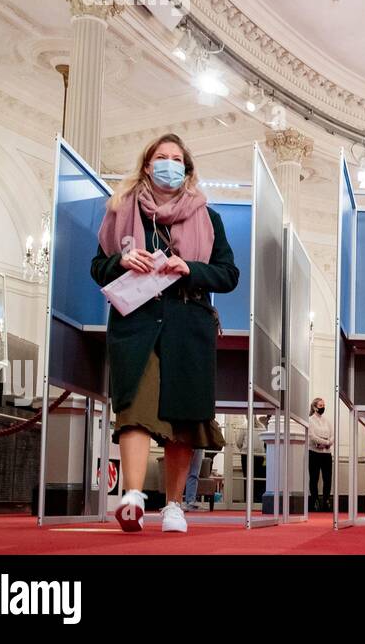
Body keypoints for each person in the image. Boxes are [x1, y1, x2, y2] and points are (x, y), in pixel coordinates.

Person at [91, 133, 239, 534]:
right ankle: (134, 497)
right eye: (161, 157)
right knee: (135, 408)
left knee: (183, 418)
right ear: (146, 165)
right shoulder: (121, 210)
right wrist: (122, 260)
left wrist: (190, 267)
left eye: (176, 159)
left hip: (188, 323)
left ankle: (174, 505)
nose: (169, 164)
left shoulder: (209, 218)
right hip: (136, 322)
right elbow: (98, 268)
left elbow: (228, 275)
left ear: (186, 169)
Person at [306, 397, 334, 512]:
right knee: (314, 478)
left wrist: (328, 443)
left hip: (326, 453)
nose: (323, 408)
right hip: (314, 453)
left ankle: (326, 500)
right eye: (321, 406)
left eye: (323, 405)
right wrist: (324, 442)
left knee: (327, 478)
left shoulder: (326, 420)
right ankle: (315, 501)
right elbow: (312, 436)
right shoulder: (310, 420)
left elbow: (332, 434)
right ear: (314, 407)